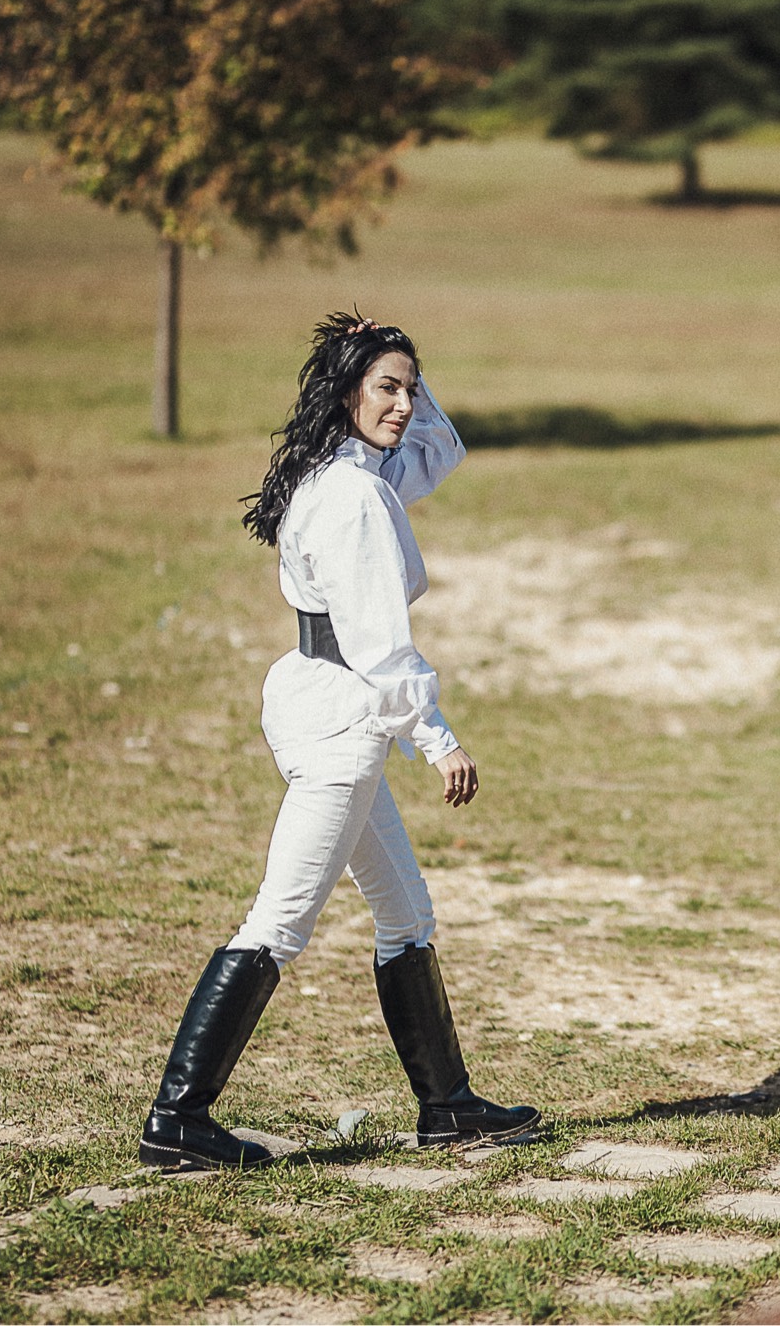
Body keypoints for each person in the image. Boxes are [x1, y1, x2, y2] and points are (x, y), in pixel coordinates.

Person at [138, 313, 540, 1170]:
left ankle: (447, 1107)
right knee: (279, 920)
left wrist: (384, 355)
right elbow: (379, 641)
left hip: (328, 708)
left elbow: (443, 448)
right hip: (345, 724)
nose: (403, 405)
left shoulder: (344, 472)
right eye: (386, 388)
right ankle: (178, 1119)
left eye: (409, 385)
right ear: (347, 393)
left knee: (406, 916)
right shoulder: (355, 498)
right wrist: (438, 739)